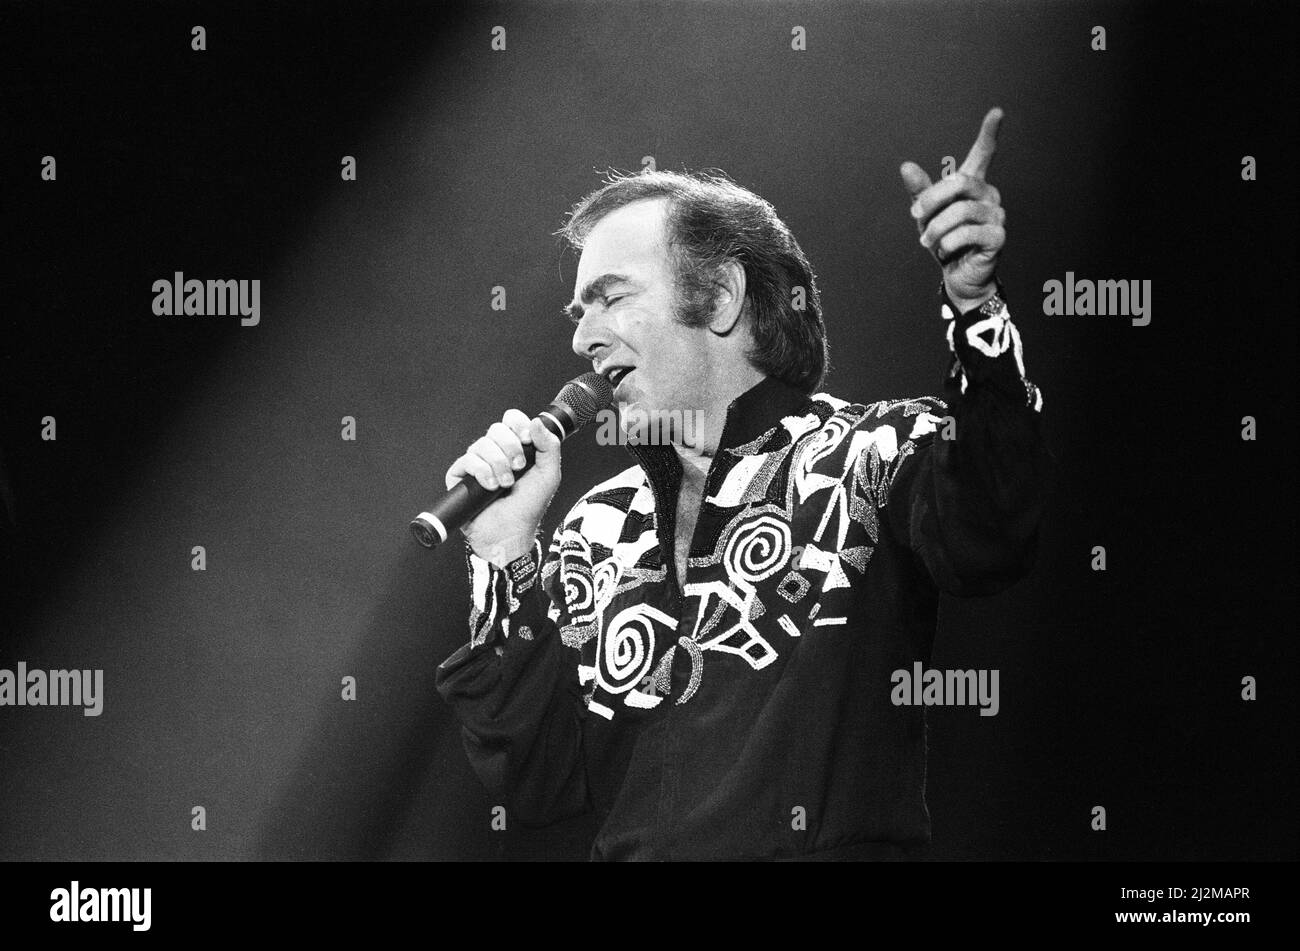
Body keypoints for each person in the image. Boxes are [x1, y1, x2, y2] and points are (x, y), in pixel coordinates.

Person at [436, 109, 1049, 860]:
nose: (582, 337)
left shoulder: (874, 453)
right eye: (578, 309)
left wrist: (975, 310)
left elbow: (992, 533)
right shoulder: (596, 528)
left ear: (721, 295)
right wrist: (503, 554)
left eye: (611, 296)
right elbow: (541, 782)